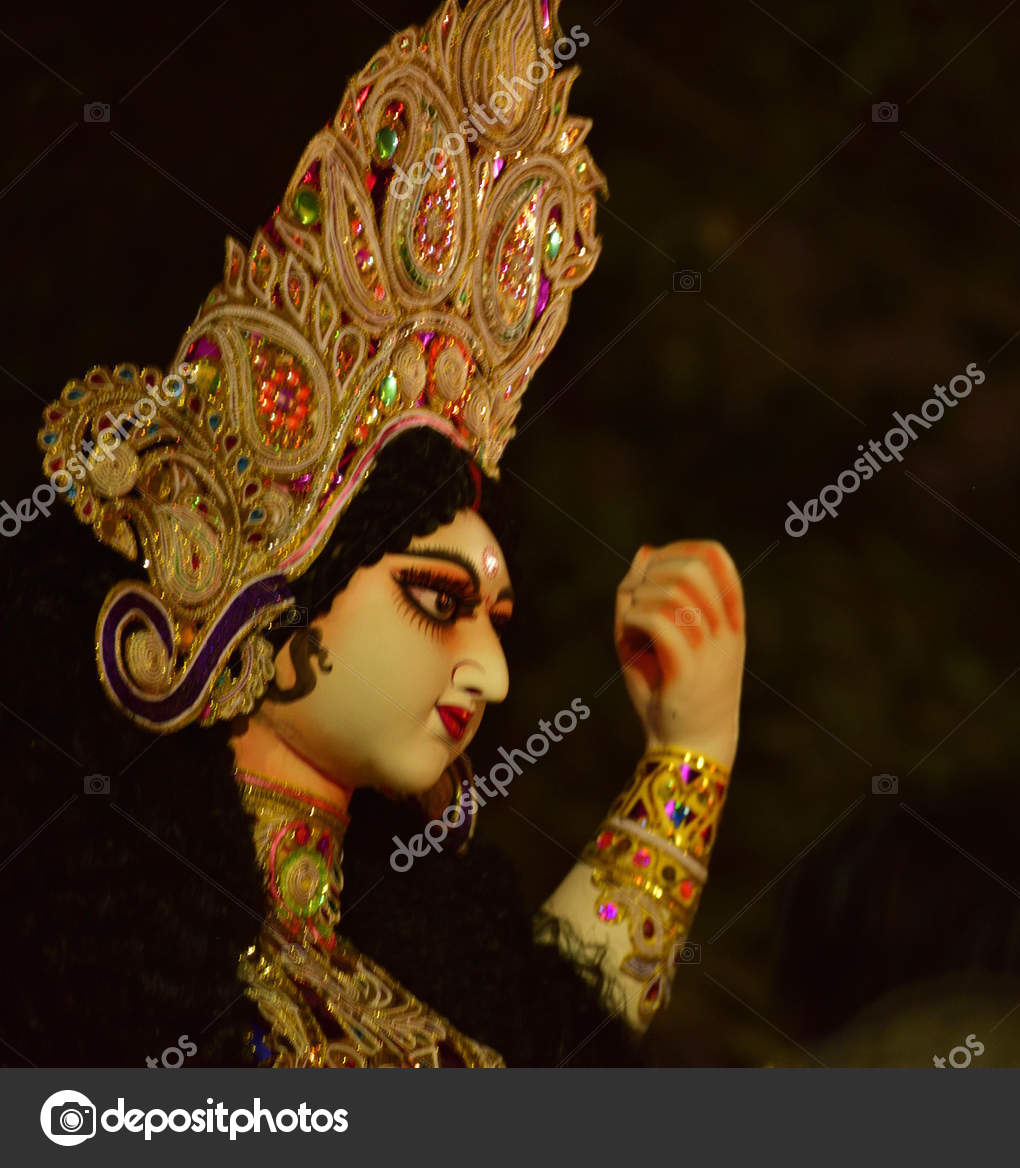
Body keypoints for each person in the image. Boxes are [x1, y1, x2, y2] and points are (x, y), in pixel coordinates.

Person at [0, 0, 746, 1068]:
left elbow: (571, 1041)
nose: (489, 672)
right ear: (273, 560)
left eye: (491, 615)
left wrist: (691, 750)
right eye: (437, 601)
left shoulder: (401, 960)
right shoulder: (90, 977)